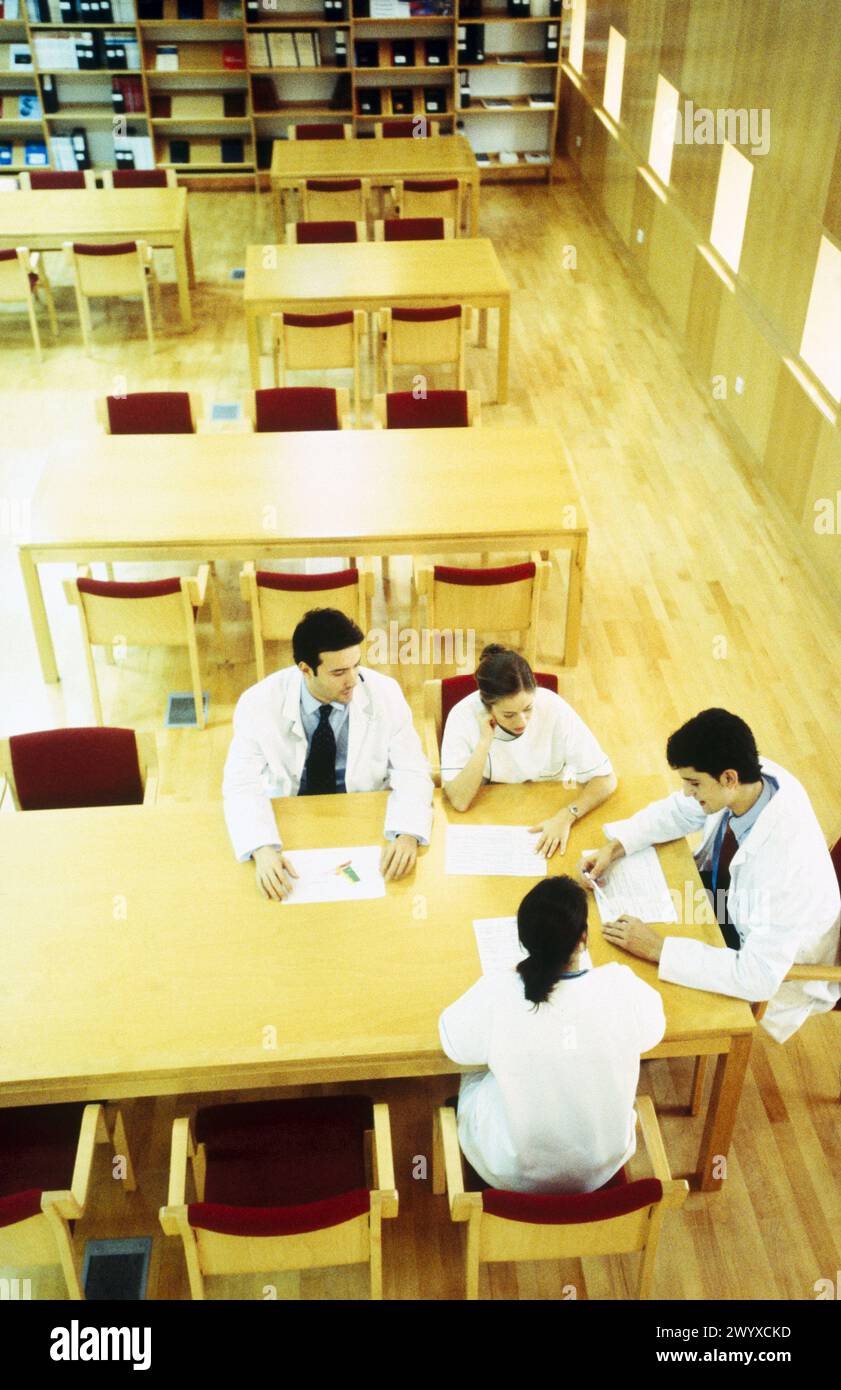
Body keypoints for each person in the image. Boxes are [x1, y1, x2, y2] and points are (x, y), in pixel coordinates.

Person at [581, 708, 841, 1043]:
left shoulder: (784, 867)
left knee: (639, 982)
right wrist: (615, 847)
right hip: (725, 898)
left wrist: (659, 948)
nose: (687, 792)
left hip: (763, 950)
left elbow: (759, 977)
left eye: (694, 784)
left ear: (729, 778)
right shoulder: (752, 780)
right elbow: (679, 810)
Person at [439, 876, 665, 1192]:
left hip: (512, 1171)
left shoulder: (499, 990)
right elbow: (653, 1032)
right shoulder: (621, 985)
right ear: (583, 937)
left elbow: (454, 1045)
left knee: (474, 1071)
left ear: (523, 940)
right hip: (600, 1165)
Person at [223, 607, 434, 899]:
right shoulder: (258, 702)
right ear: (305, 669)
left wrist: (407, 832)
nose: (353, 680)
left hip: (363, 814)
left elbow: (412, 770)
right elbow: (240, 783)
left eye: (356, 665)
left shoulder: (385, 693)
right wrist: (261, 847)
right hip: (291, 818)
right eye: (338, 672)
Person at [440, 644, 617, 856]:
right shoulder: (462, 715)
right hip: (494, 813)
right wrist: (484, 742)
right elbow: (460, 801)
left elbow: (606, 779)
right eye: (508, 715)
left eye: (528, 709)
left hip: (549, 808)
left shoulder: (553, 706)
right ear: (487, 707)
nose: (522, 721)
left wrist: (568, 815)